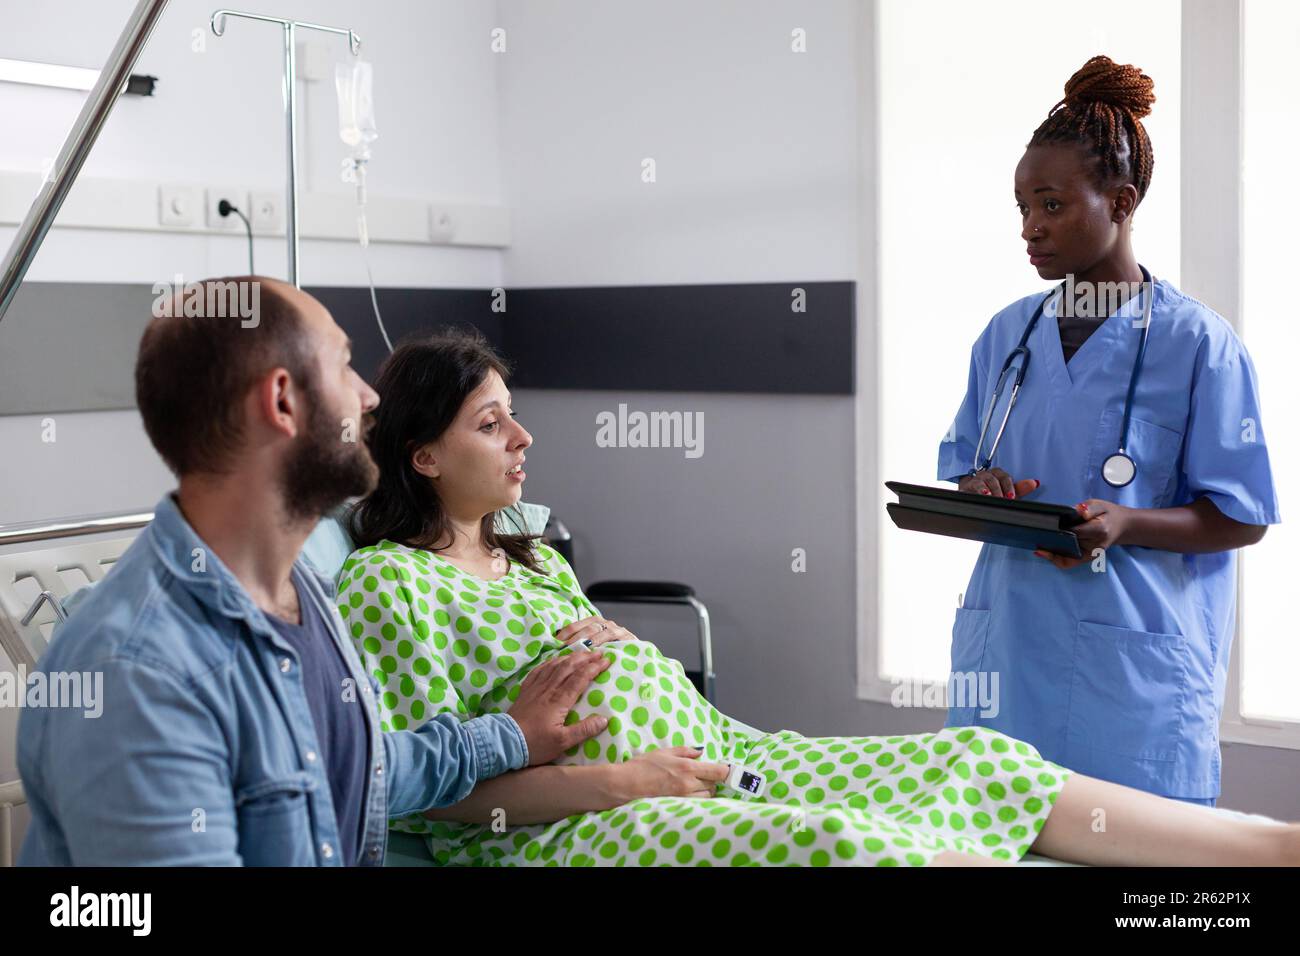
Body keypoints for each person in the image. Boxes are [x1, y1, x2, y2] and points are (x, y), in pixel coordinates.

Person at [339, 328, 1298, 866]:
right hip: (585, 823)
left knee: (977, 761)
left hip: (727, 755)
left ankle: (1273, 849)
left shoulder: (531, 554)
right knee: (841, 841)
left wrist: (624, 672)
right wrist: (623, 778)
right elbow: (420, 800)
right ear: (422, 456)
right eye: (492, 423)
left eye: (516, 416)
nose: (524, 441)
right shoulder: (388, 584)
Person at [16, 277, 612, 866]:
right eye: (344, 366)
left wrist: (509, 737)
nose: (370, 397)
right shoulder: (140, 672)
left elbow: (355, 766)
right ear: (281, 402)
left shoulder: (297, 594)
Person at [936, 56, 1280, 806]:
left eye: (1052, 206)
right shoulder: (1005, 337)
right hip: (1007, 655)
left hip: (1131, 682)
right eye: (1023, 207)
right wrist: (980, 486)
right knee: (993, 844)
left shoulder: (1200, 345)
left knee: (1141, 882)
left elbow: (1241, 516)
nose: (1030, 229)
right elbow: (966, 466)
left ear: (1121, 200)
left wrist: (1127, 523)